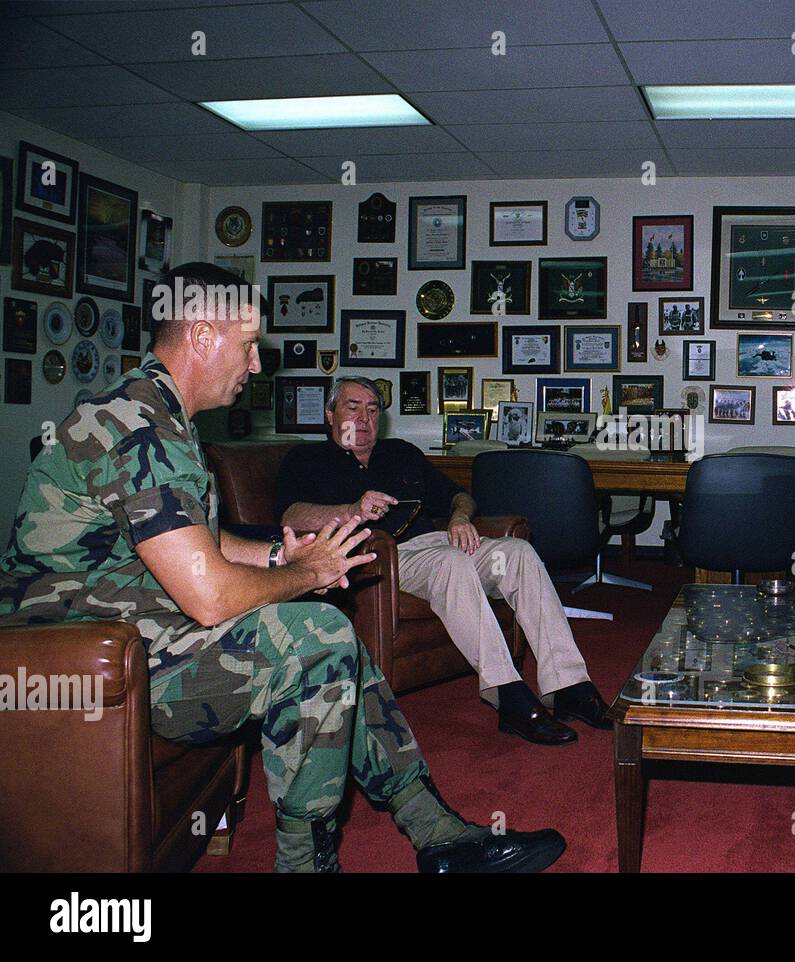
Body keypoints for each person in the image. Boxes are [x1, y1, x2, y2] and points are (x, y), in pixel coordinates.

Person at [0, 263, 565, 874]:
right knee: (317, 637)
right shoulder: (138, 428)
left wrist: (279, 556)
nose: (256, 366)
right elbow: (210, 598)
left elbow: (199, 537)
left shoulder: (159, 416)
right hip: (75, 650)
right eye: (247, 346)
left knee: (331, 632)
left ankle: (439, 837)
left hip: (135, 621)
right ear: (201, 337)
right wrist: (307, 572)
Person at [275, 377, 612, 746]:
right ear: (329, 414)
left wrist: (459, 518)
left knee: (518, 554)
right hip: (388, 559)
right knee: (451, 564)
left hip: (438, 543)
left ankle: (568, 685)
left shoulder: (401, 453)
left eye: (372, 410)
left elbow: (459, 495)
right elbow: (291, 516)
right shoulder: (307, 459)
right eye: (352, 408)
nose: (364, 419)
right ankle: (507, 693)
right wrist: (352, 510)